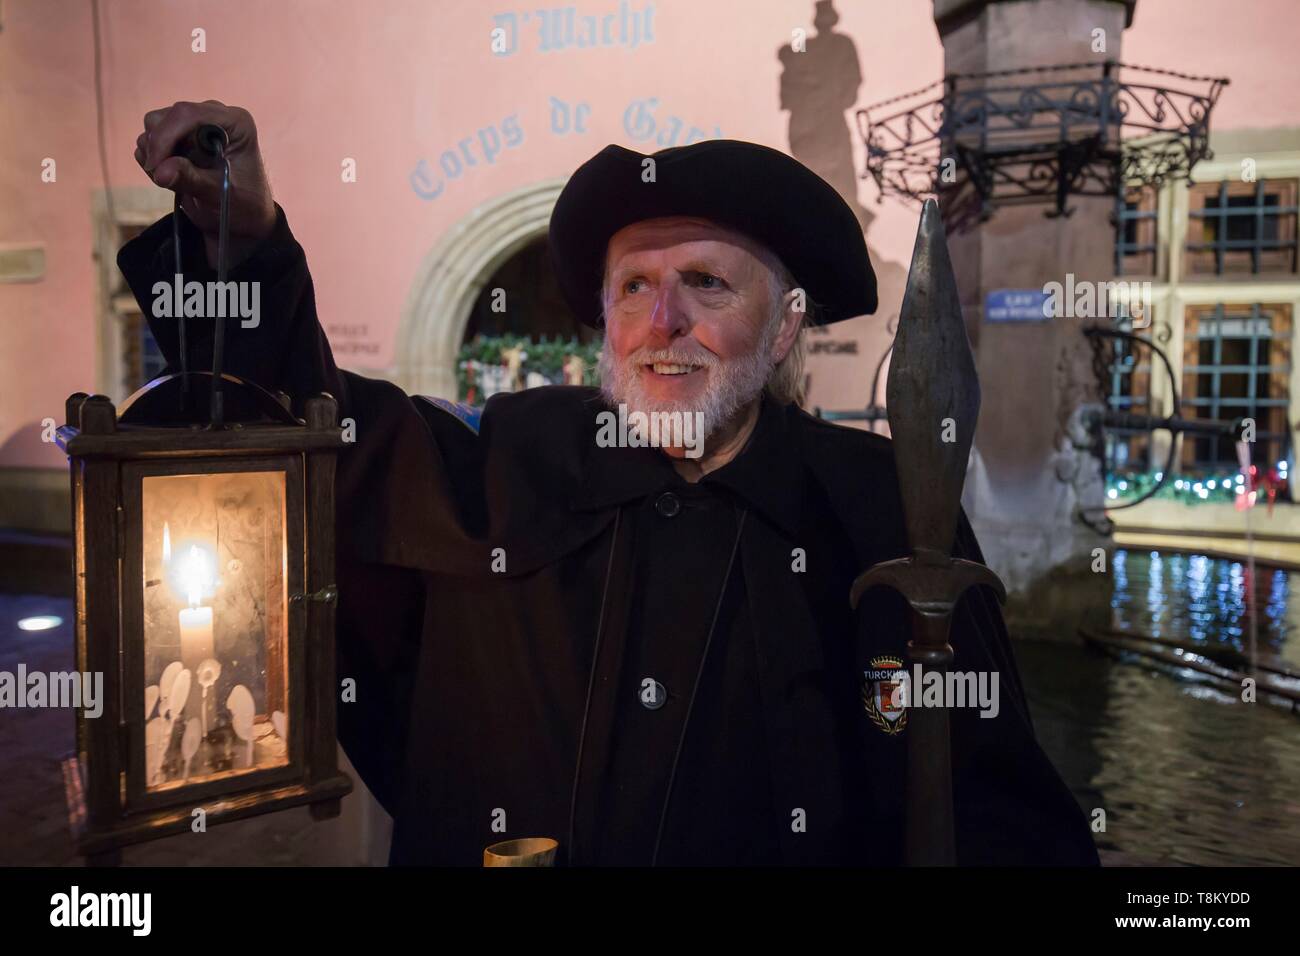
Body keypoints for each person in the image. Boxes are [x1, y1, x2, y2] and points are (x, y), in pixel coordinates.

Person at [121, 100, 1100, 867]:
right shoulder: (508, 457)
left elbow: (996, 808)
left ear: (788, 323)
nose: (662, 318)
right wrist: (235, 248)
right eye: (634, 285)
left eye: (708, 284)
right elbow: (312, 422)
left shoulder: (880, 508)